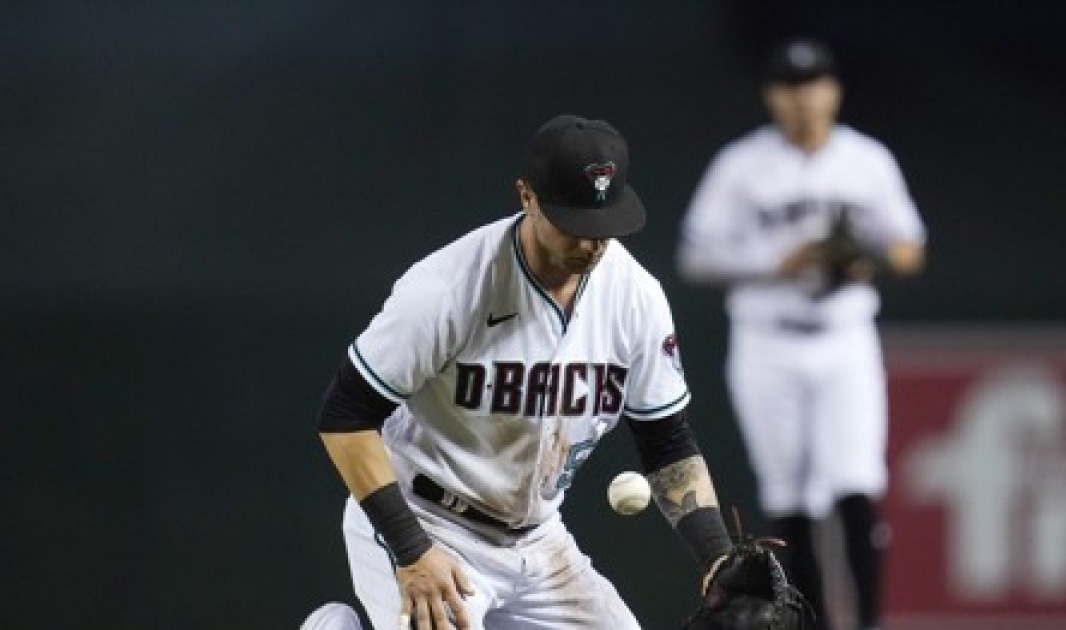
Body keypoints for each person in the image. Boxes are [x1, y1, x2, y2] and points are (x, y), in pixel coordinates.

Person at [316, 114, 735, 630]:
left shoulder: (635, 297)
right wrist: (410, 550)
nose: (592, 244)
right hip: (426, 521)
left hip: (538, 540)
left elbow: (665, 439)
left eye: (604, 226)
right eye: (575, 223)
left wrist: (718, 558)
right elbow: (345, 417)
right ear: (527, 197)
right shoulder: (449, 287)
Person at [675, 39, 926, 630]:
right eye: (790, 86)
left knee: (856, 486)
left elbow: (910, 248)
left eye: (813, 84)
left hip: (844, 338)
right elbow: (695, 257)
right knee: (791, 497)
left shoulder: (866, 160)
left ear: (833, 91)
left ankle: (866, 623)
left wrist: (866, 256)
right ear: (772, 96)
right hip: (768, 341)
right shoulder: (741, 165)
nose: (803, 98)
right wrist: (776, 262)